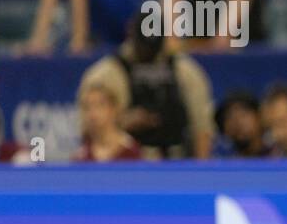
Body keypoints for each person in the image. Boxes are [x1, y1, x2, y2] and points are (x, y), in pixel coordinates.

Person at [77, 12, 216, 160]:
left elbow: (202, 127)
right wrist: (123, 122)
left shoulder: (183, 70)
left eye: (152, 48)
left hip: (177, 159)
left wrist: (201, 167)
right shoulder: (106, 73)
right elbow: (87, 129)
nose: (147, 53)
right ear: (132, 35)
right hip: (127, 161)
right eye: (143, 47)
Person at [73, 81, 142, 162]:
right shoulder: (80, 157)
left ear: (114, 109)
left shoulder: (130, 152)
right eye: (87, 107)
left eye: (99, 105)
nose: (92, 113)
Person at [214, 88, 269, 158]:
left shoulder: (279, 158)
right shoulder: (224, 164)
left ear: (259, 117)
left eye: (244, 114)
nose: (238, 122)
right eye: (230, 117)